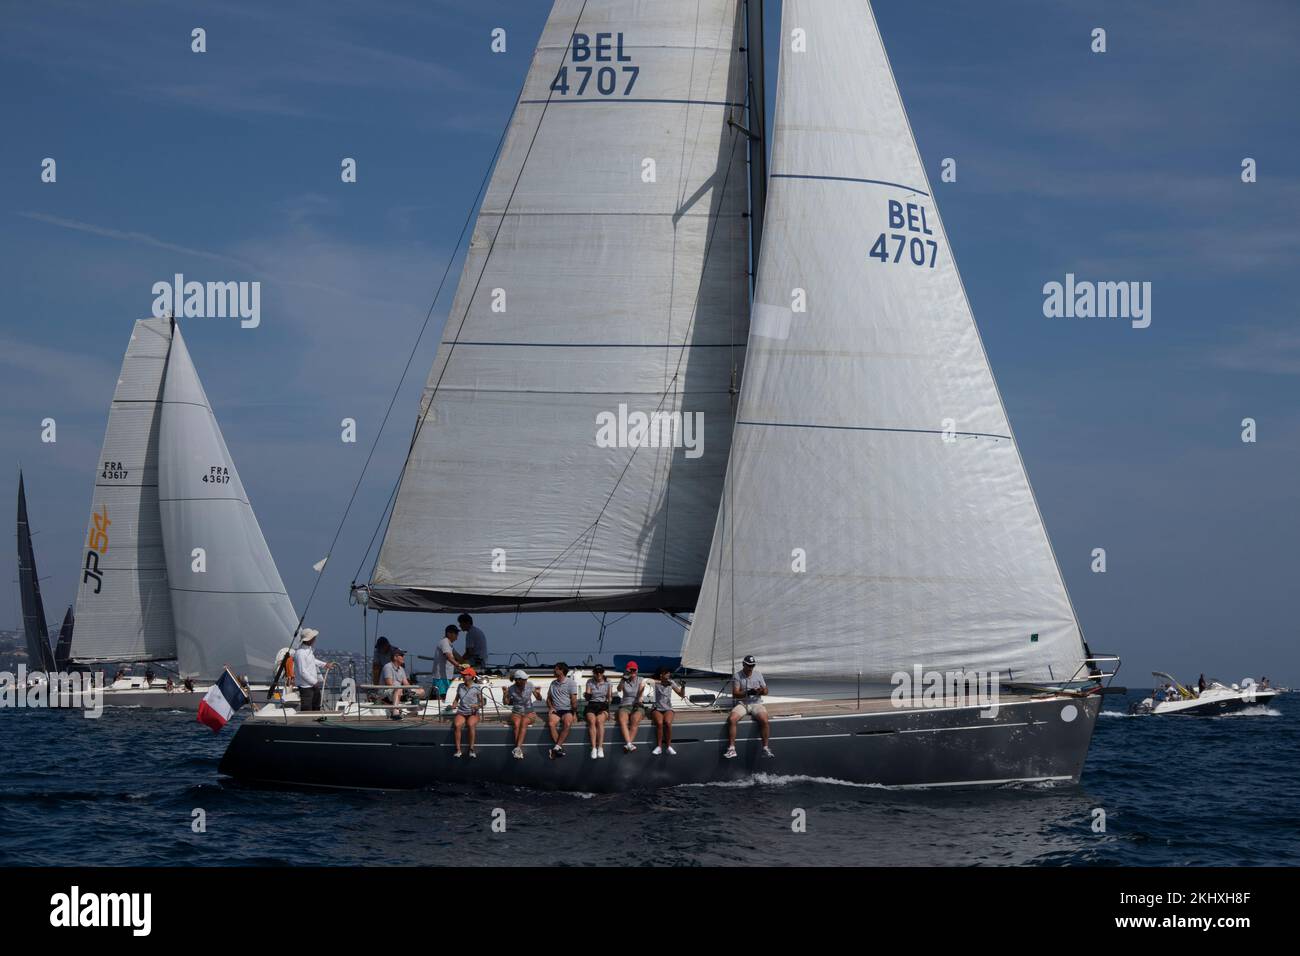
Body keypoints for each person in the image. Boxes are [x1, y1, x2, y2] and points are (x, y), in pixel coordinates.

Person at [725, 655, 772, 758]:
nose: (751, 667)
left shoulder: (758, 674)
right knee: (732, 719)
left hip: (756, 703)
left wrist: (761, 691)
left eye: (752, 665)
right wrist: (747, 692)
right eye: (749, 665)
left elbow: (766, 690)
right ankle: (732, 749)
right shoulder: (737, 676)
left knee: (764, 720)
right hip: (743, 703)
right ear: (743, 664)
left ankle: (765, 748)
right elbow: (735, 694)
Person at [293, 628, 333, 712]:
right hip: (306, 687)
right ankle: (307, 724)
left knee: (316, 706)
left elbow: (312, 660)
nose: (315, 639)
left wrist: (324, 665)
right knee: (307, 709)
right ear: (309, 640)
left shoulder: (307, 650)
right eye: (313, 637)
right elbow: (302, 672)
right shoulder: (300, 653)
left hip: (312, 684)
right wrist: (314, 682)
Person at [505, 670, 542, 758]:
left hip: (529, 712)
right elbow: (506, 702)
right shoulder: (511, 688)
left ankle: (517, 748)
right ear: (518, 680)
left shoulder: (530, 685)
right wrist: (504, 694)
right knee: (517, 725)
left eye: (526, 679)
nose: (526, 681)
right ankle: (518, 750)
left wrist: (538, 693)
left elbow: (539, 698)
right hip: (516, 712)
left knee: (524, 722)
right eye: (524, 679)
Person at [650, 667, 686, 756]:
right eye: (666, 673)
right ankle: (659, 747)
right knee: (659, 722)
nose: (668, 674)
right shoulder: (655, 682)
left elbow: (681, 694)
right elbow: (646, 680)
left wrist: (683, 687)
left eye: (669, 673)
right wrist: (661, 682)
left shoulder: (671, 683)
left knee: (668, 722)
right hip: (657, 708)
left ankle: (669, 746)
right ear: (661, 675)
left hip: (668, 709)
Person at [547, 662, 578, 758]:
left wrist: (574, 713)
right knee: (551, 724)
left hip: (567, 710)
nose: (554, 671)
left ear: (561, 671)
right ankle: (558, 747)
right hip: (556, 710)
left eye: (556, 669)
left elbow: (574, 701)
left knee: (568, 723)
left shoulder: (571, 683)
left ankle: (556, 747)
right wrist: (551, 707)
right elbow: (548, 698)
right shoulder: (553, 683)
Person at [452, 667, 483, 757]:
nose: (463, 676)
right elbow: (456, 699)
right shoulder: (460, 686)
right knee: (457, 725)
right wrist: (454, 704)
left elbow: (482, 702)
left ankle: (471, 749)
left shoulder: (477, 687)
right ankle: (458, 750)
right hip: (462, 711)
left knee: (470, 724)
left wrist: (477, 705)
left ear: (471, 676)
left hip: (473, 712)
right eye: (463, 674)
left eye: (465, 674)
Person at [616, 661, 646, 753]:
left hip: (637, 704)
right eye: (630, 670)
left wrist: (642, 689)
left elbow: (640, 693)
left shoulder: (641, 679)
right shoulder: (624, 680)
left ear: (637, 670)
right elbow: (619, 689)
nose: (632, 671)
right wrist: (623, 679)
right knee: (622, 720)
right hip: (625, 705)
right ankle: (629, 744)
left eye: (634, 670)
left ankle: (628, 744)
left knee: (635, 720)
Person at [584, 664, 612, 759]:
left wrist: (608, 707)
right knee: (592, 721)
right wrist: (587, 694)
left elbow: (609, 697)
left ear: (603, 672)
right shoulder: (590, 681)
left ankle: (600, 747)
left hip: (602, 705)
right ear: (594, 673)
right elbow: (588, 697)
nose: (598, 674)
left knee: (599, 721)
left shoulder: (608, 682)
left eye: (600, 672)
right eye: (596, 672)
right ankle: (594, 748)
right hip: (592, 704)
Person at [433, 625, 464, 700]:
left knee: (448, 696)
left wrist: (466, 663)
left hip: (447, 676)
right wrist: (458, 665)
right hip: (441, 677)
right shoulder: (445, 642)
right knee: (442, 696)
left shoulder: (449, 645)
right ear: (449, 634)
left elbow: (457, 655)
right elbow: (448, 656)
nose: (457, 636)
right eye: (456, 633)